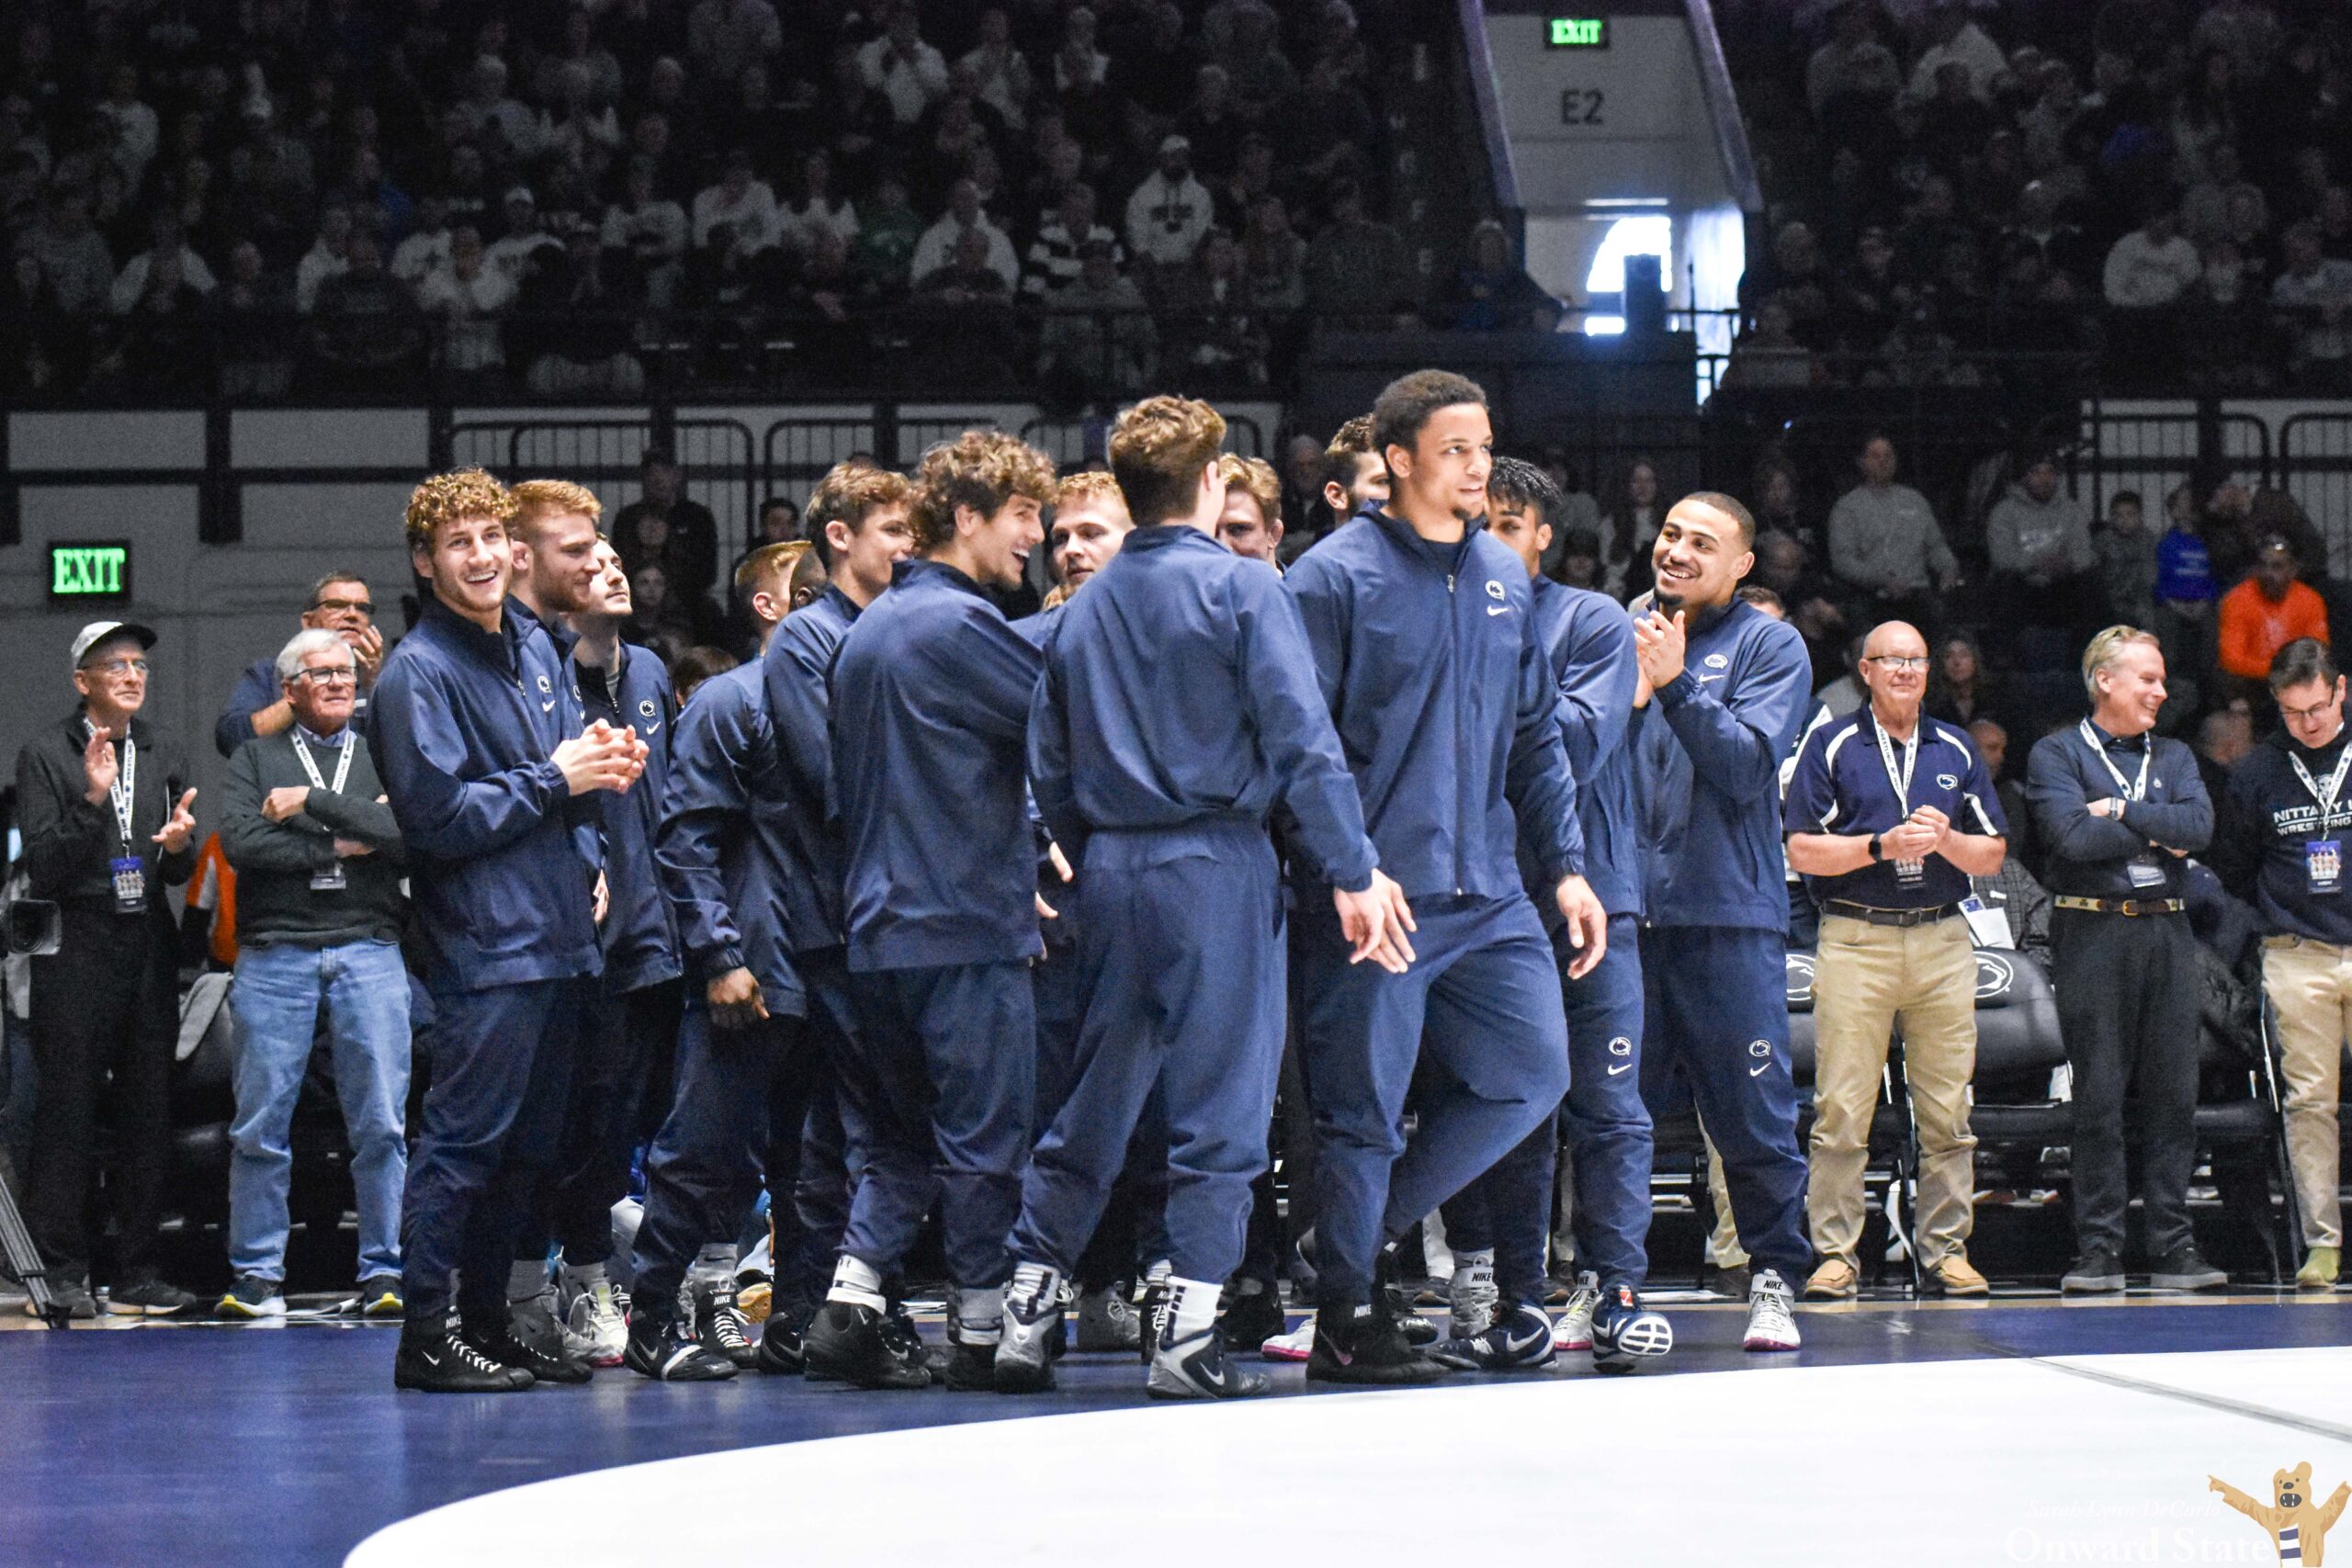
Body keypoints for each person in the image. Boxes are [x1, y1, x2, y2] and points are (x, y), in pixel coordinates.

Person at [998, 395, 1407, 1400]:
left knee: (1096, 1100)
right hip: (1215, 863)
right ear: (1214, 483)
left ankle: (1022, 1314)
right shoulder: (1241, 589)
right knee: (1221, 1107)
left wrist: (1095, 849)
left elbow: (1046, 763)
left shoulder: (1079, 606)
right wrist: (1352, 870)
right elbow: (1301, 743)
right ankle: (1183, 1335)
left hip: (1113, 867)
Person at [1285, 370, 1602, 1384]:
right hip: (1381, 894)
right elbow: (1302, 746)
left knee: (1531, 1073)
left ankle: (1350, 1237)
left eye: (1483, 447)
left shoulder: (1506, 578)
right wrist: (1346, 868)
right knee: (1360, 1113)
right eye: (1456, 450)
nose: (1476, 466)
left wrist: (1565, 870)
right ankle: (1347, 1313)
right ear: (1399, 460)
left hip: (1492, 892)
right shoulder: (1330, 578)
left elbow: (1535, 740)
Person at [372, 469, 647, 1393]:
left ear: (513, 551)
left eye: (491, 539)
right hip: (488, 947)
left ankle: (484, 1324)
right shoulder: (418, 673)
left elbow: (567, 771)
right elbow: (437, 818)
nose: (481, 556)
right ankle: (425, 1337)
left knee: (527, 1154)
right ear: (426, 561)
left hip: (559, 933)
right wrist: (557, 783)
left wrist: (594, 836)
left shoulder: (533, 647)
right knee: (462, 1147)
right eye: (459, 544)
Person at [812, 430, 1056, 1390]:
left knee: (902, 1139)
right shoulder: (958, 627)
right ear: (966, 515)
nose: (1033, 538)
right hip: (960, 919)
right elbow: (1061, 716)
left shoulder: (869, 629)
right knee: (984, 1144)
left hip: (878, 927)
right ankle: (985, 1333)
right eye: (1024, 516)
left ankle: (854, 1296)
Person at [1433, 457, 1672, 1375]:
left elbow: (1567, 745)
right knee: (1509, 1107)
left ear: (1540, 534)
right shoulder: (1443, 616)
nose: (1484, 539)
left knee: (1607, 1105)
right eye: (1472, 522)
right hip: (1481, 899)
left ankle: (1616, 1292)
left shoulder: (1591, 619)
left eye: (1503, 524)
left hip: (1590, 891)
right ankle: (1517, 1302)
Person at [1631, 486, 1815, 1351]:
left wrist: (1672, 689)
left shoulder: (1770, 645)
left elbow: (1745, 767)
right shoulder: (1617, 626)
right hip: (1628, 914)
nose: (1678, 550)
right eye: (1671, 534)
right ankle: (1608, 1280)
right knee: (1609, 1111)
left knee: (1753, 1115)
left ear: (1741, 566)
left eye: (1702, 542)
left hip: (1729, 915)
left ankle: (1773, 1275)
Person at [1785, 620, 2007, 1300]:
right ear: (1866, 669)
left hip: (1941, 937)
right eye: (1891, 660)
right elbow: (1800, 849)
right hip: (1858, 936)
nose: (1906, 670)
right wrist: (1879, 845)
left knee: (1947, 1111)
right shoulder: (1833, 744)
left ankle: (1946, 1250)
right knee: (1843, 1109)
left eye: (1916, 659)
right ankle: (1836, 1253)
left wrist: (1945, 842)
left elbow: (1993, 852)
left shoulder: (1956, 746)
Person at [759, 460, 918, 1350]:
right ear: (839, 537)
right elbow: (834, 781)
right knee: (874, 1124)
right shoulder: (807, 641)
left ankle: (814, 1308)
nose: (907, 546)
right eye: (892, 531)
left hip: (880, 912)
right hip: (843, 915)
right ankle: (867, 1312)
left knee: (837, 1127)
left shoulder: (888, 628)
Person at [216, 629, 409, 1320]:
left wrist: (309, 804)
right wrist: (340, 840)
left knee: (382, 1123)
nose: (339, 683)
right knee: (260, 1125)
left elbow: (408, 832)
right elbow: (241, 841)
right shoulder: (253, 755)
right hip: (277, 952)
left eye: (348, 673)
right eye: (322, 673)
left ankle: (385, 1272)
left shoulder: (382, 750)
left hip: (369, 945)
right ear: (289, 687)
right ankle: (256, 1274)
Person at [2025, 626, 2222, 1294]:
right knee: (2099, 1098)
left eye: (2162, 680)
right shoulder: (2057, 752)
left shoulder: (2173, 753)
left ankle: (2174, 1245)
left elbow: (2200, 829)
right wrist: (2155, 823)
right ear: (2104, 679)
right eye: (2148, 679)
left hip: (2167, 933)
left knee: (2175, 1097)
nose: (2161, 692)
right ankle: (2099, 1249)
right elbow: (2070, 837)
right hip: (2093, 933)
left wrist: (2122, 808)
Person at [14, 621, 201, 1318]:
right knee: (68, 1109)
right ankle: (63, 1269)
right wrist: (94, 798)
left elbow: (176, 868)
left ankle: (138, 1268)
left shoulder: (163, 749)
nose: (132, 674)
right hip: (77, 940)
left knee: (147, 1111)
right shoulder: (45, 754)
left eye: (139, 664)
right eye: (114, 664)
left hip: (147, 939)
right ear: (81, 680)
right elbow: (46, 865)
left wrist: (180, 847)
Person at [2221, 639, 2352, 1290]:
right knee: (2309, 1103)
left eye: (2320, 707)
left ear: (2342, 689)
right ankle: (2322, 1242)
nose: (2310, 723)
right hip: (2297, 954)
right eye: (2295, 711)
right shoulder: (2256, 772)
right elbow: (2236, 869)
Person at [216, 572, 385, 757]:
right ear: (308, 622)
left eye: (363, 608)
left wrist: (372, 686)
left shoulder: (386, 679)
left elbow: (401, 756)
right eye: (337, 605)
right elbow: (231, 739)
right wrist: (301, 693)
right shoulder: (270, 674)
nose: (352, 615)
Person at [1827, 435, 1960, 630]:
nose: (1883, 462)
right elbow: (1843, 560)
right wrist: (1880, 579)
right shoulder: (1848, 507)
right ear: (1862, 462)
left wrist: (1948, 568)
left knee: (1941, 615)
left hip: (1916, 591)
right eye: (1875, 456)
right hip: (1872, 594)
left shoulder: (1915, 501)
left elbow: (1935, 545)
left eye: (1888, 456)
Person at [614, 447, 721, 605]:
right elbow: (619, 565)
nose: (658, 479)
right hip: (636, 598)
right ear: (643, 479)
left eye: (665, 472)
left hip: (687, 598)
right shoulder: (628, 518)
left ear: (677, 476)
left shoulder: (696, 516)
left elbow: (707, 570)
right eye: (651, 473)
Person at [2219, 537, 2329, 685]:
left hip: (2297, 683)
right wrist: (2281, 670)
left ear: (2292, 570)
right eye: (2263, 566)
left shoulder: (2310, 600)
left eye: (2277, 567)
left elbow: (2317, 653)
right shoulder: (2237, 599)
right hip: (2251, 684)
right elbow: (2231, 660)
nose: (2268, 573)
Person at [1215, 453, 1283, 565]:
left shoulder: (1300, 582)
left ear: (1273, 533)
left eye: (1239, 529)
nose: (1222, 545)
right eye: (1211, 533)